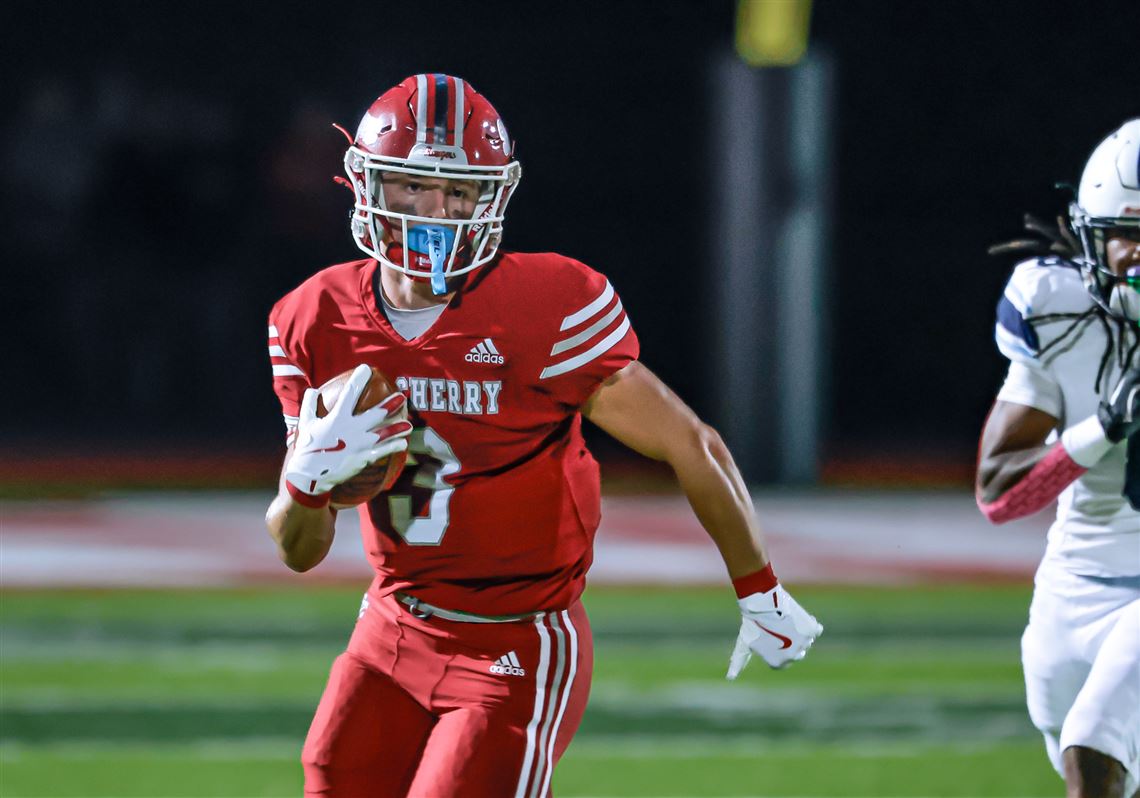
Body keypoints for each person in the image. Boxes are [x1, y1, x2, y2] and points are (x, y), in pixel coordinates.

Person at [263, 74, 823, 797]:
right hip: (391, 626)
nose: (440, 210)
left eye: (460, 192)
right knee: (332, 779)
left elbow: (693, 443)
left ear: (491, 198)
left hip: (516, 639)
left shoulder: (547, 306)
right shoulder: (313, 318)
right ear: (369, 186)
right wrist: (307, 489)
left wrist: (761, 590)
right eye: (416, 186)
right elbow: (298, 551)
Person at [976, 118, 1140, 798]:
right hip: (1073, 585)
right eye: (1127, 234)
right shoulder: (1057, 307)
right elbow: (998, 493)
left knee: (1091, 755)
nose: (1137, 258)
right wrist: (1103, 426)